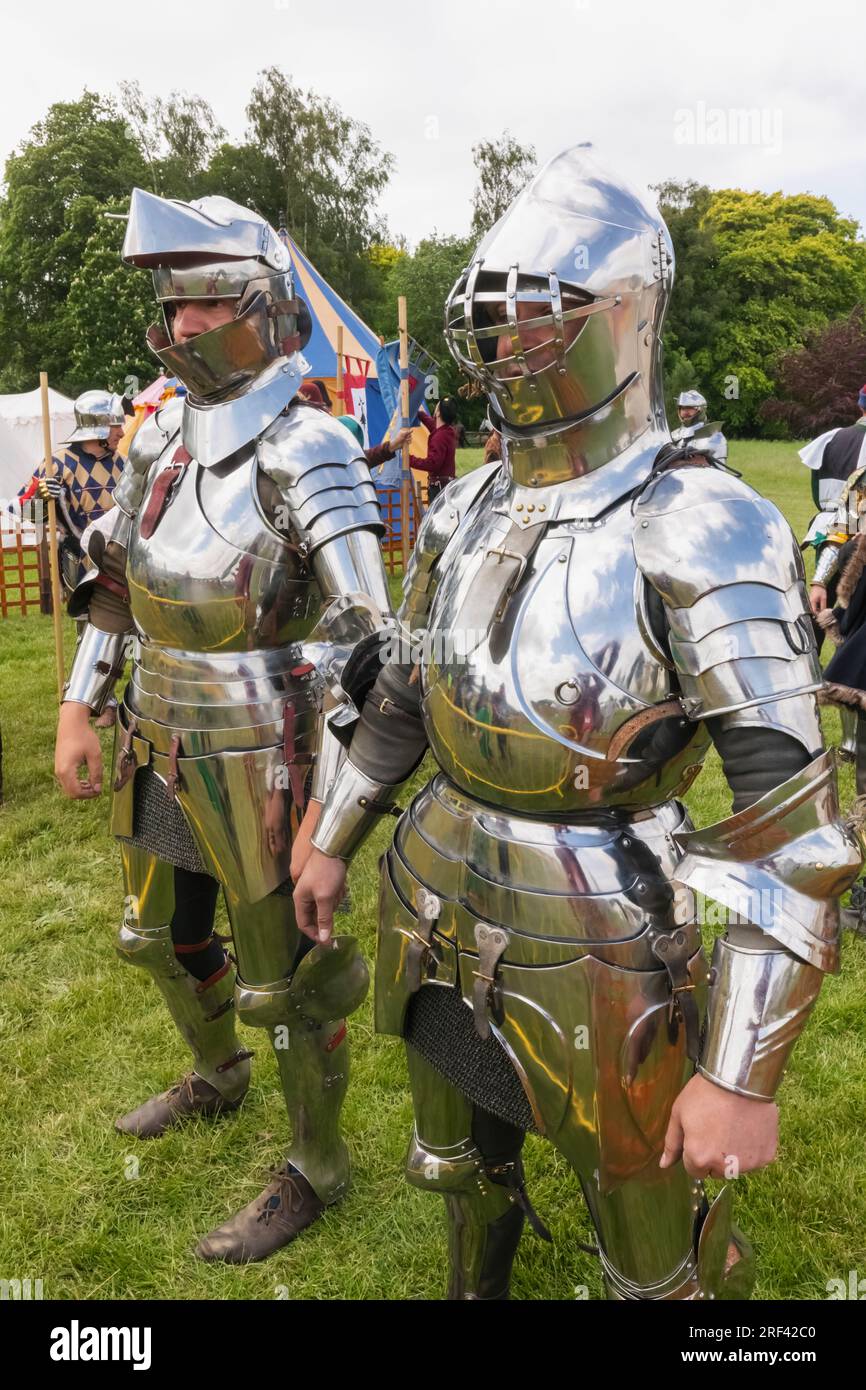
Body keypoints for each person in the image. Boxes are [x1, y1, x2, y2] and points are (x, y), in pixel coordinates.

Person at [294, 145, 859, 1300]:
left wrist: (742, 1073)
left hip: (603, 921)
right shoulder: (463, 501)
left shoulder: (701, 522)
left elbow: (790, 824)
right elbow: (404, 688)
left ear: (624, 320)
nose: (511, 352)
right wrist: (330, 831)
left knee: (645, 1244)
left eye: (541, 319)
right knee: (456, 1165)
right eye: (496, 326)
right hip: (435, 877)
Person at [52, 189, 394, 1263]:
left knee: (283, 981)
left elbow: (364, 644)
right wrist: (77, 701)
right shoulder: (162, 437)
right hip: (156, 719)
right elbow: (117, 580)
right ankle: (215, 1076)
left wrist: (327, 825)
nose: (182, 322)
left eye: (204, 300)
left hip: (268, 740)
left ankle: (315, 1164)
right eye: (170, 301)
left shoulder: (311, 447)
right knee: (152, 936)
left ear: (258, 305)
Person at [19, 391, 130, 728]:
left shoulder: (121, 464)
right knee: (90, 631)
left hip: (119, 557)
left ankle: (123, 695)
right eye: (116, 425)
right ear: (97, 425)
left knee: (129, 632)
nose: (121, 432)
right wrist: (41, 497)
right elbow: (27, 515)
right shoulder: (57, 464)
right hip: (80, 560)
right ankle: (97, 702)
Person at [801, 388, 866, 762]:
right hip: (859, 566)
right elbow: (841, 527)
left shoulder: (832, 440)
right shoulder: (862, 478)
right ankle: (853, 741)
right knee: (852, 642)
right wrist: (820, 581)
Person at [411, 397, 458, 501]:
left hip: (439, 490)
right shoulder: (447, 431)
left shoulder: (440, 437)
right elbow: (434, 426)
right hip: (445, 486)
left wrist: (409, 459)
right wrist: (420, 414)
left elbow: (432, 464)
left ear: (438, 413)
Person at [671, 389, 727, 464]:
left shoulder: (714, 437)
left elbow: (720, 472)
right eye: (682, 408)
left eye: (690, 408)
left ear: (701, 410)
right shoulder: (673, 436)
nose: (685, 412)